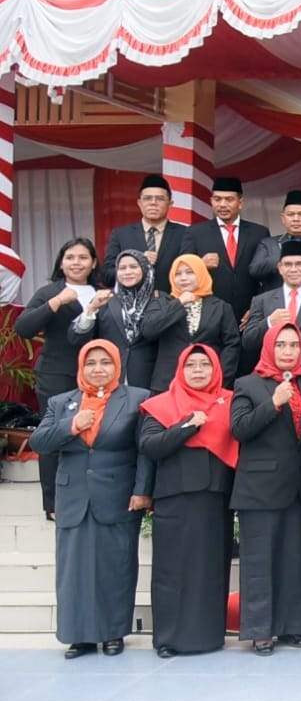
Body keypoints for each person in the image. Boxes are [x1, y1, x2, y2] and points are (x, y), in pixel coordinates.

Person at [28, 339, 152, 659]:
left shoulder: (137, 399)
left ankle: (113, 633)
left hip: (118, 495)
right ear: (81, 367)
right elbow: (39, 442)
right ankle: (79, 635)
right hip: (73, 497)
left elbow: (145, 450)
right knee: (74, 570)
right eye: (91, 363)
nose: (98, 369)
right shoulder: (62, 402)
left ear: (117, 366)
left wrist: (142, 491)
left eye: (105, 362)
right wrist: (71, 425)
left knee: (116, 566)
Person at [138, 344, 237, 657]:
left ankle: (209, 636)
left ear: (215, 369)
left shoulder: (229, 402)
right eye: (191, 365)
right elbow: (150, 445)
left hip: (214, 500)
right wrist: (185, 426)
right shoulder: (161, 405)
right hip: (175, 500)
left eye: (204, 365)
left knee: (210, 569)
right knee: (173, 571)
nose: (198, 371)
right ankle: (168, 639)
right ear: (180, 369)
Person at [230, 321, 301, 655]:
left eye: (293, 345)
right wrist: (274, 404)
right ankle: (260, 630)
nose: (287, 351)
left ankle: (293, 625)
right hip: (260, 488)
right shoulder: (248, 384)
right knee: (259, 561)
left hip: (300, 487)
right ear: (269, 347)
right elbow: (239, 428)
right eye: (281, 345)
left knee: (293, 558)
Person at [17, 237, 100, 517]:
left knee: (94, 435)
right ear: (61, 263)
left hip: (97, 377)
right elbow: (24, 328)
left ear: (94, 263)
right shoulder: (49, 292)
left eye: (83, 257)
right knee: (54, 435)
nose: (76, 263)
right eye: (70, 257)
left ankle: (88, 496)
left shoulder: (103, 292)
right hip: (55, 375)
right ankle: (52, 503)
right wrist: (56, 302)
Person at [139, 254, 241, 391]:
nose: (183, 278)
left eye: (189, 272)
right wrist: (179, 302)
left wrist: (219, 377)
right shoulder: (162, 303)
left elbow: (232, 344)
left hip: (207, 382)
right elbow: (149, 330)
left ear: (200, 273)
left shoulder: (220, 307)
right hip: (168, 383)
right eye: (178, 273)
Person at [68, 248, 163, 389]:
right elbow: (76, 338)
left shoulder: (159, 300)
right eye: (122, 268)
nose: (127, 272)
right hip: (109, 379)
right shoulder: (105, 298)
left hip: (148, 380)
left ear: (145, 269)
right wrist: (91, 309)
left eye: (133, 267)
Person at [182, 176, 271, 322]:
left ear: (240, 203)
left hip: (249, 316)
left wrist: (257, 309)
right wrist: (200, 264)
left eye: (229, 199)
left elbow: (267, 279)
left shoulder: (259, 233)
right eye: (217, 199)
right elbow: (181, 273)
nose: (222, 204)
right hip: (208, 315)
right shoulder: (195, 233)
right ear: (211, 201)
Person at [241, 239, 301, 375]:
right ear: (280, 268)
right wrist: (269, 322)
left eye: (299, 264)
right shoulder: (262, 300)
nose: (293, 269)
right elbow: (248, 342)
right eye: (288, 264)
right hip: (272, 376)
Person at [101, 173, 186, 288]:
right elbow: (107, 276)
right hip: (132, 303)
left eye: (160, 199)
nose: (153, 203)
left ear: (170, 204)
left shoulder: (184, 234)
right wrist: (137, 262)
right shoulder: (121, 234)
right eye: (147, 198)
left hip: (172, 303)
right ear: (139, 203)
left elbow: (191, 272)